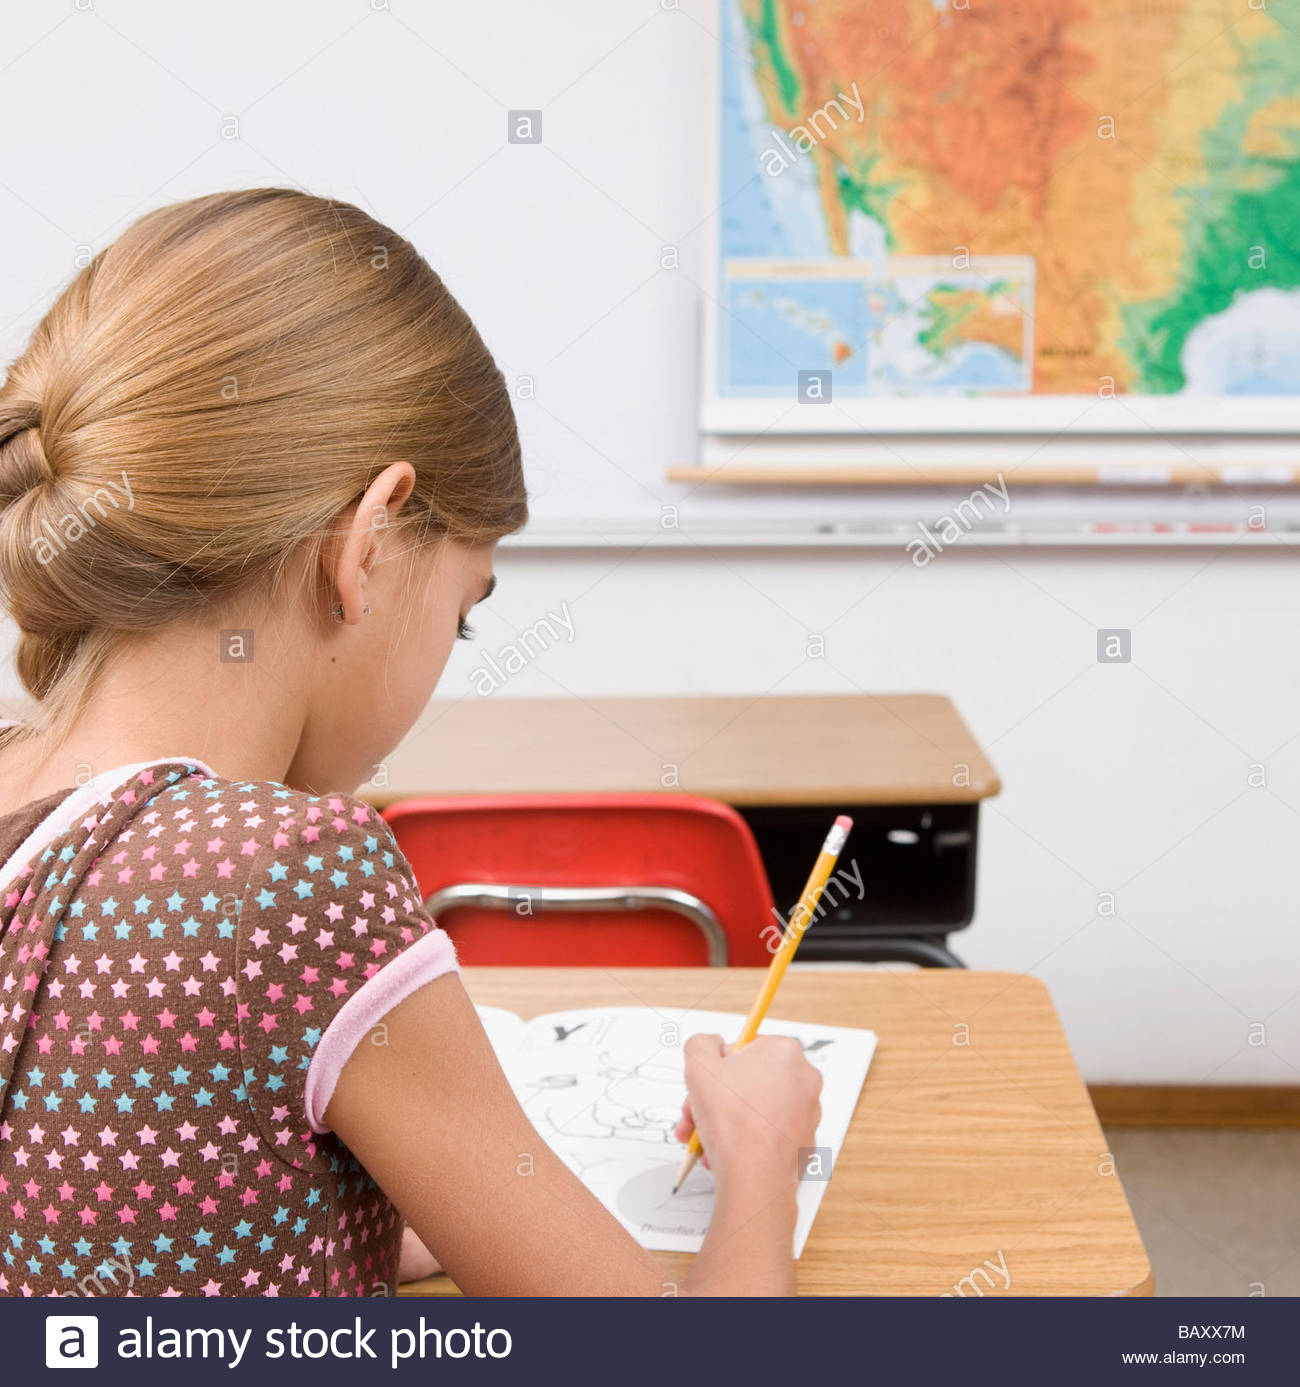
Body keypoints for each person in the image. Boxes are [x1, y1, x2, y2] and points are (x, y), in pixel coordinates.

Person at [0, 188, 821, 1297]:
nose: (453, 647)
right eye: (465, 607)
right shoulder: (281, 882)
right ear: (371, 543)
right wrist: (761, 1159)